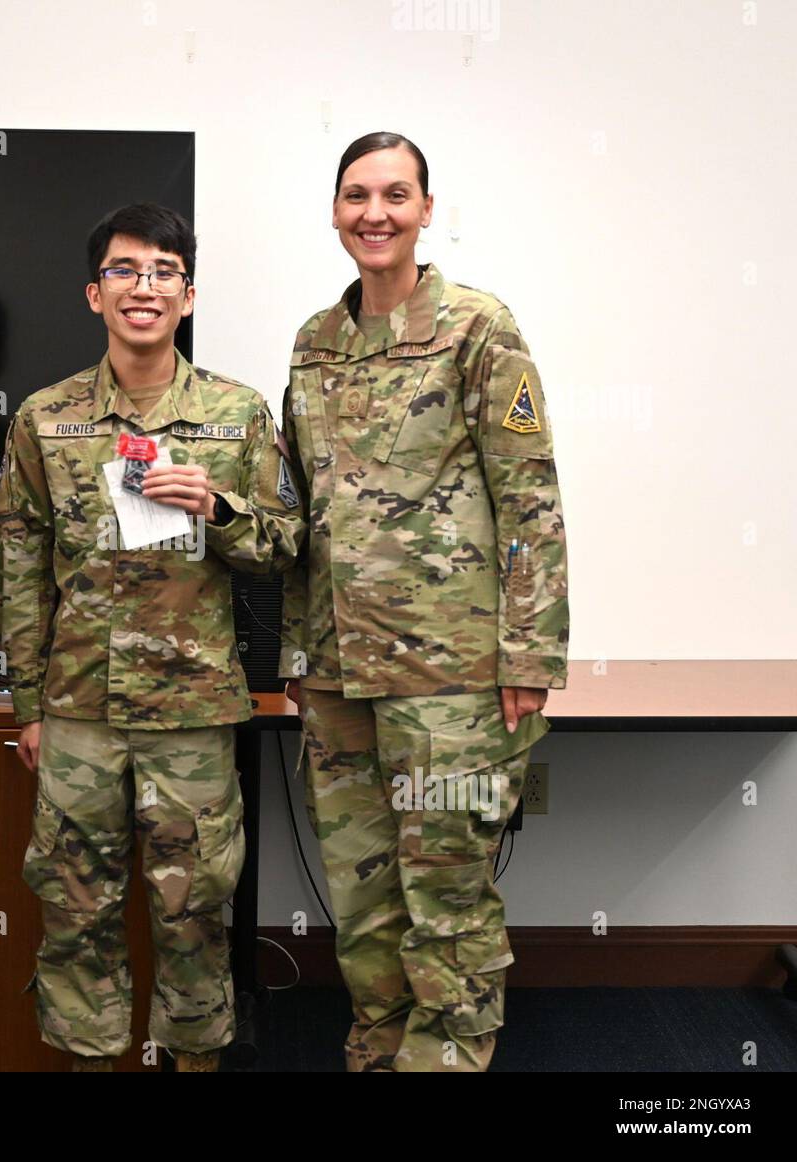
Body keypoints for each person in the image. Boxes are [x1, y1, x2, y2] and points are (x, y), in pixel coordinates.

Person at [0, 203, 305, 1072]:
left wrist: (223, 508)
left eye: (165, 271)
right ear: (95, 294)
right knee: (76, 908)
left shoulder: (236, 416)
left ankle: (193, 1062)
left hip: (193, 717)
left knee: (196, 912)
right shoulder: (43, 419)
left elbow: (287, 544)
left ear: (189, 295)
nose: (145, 286)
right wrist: (24, 703)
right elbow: (16, 558)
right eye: (126, 270)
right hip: (77, 715)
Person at [280, 133, 569, 1072]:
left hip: (450, 680)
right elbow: (303, 508)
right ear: (334, 212)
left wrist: (529, 655)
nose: (376, 213)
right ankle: (379, 1051)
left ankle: (448, 1058)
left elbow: (530, 498)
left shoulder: (481, 328)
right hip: (335, 675)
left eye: (396, 195)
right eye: (357, 195)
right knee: (362, 901)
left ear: (426, 210)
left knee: (445, 893)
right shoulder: (313, 343)